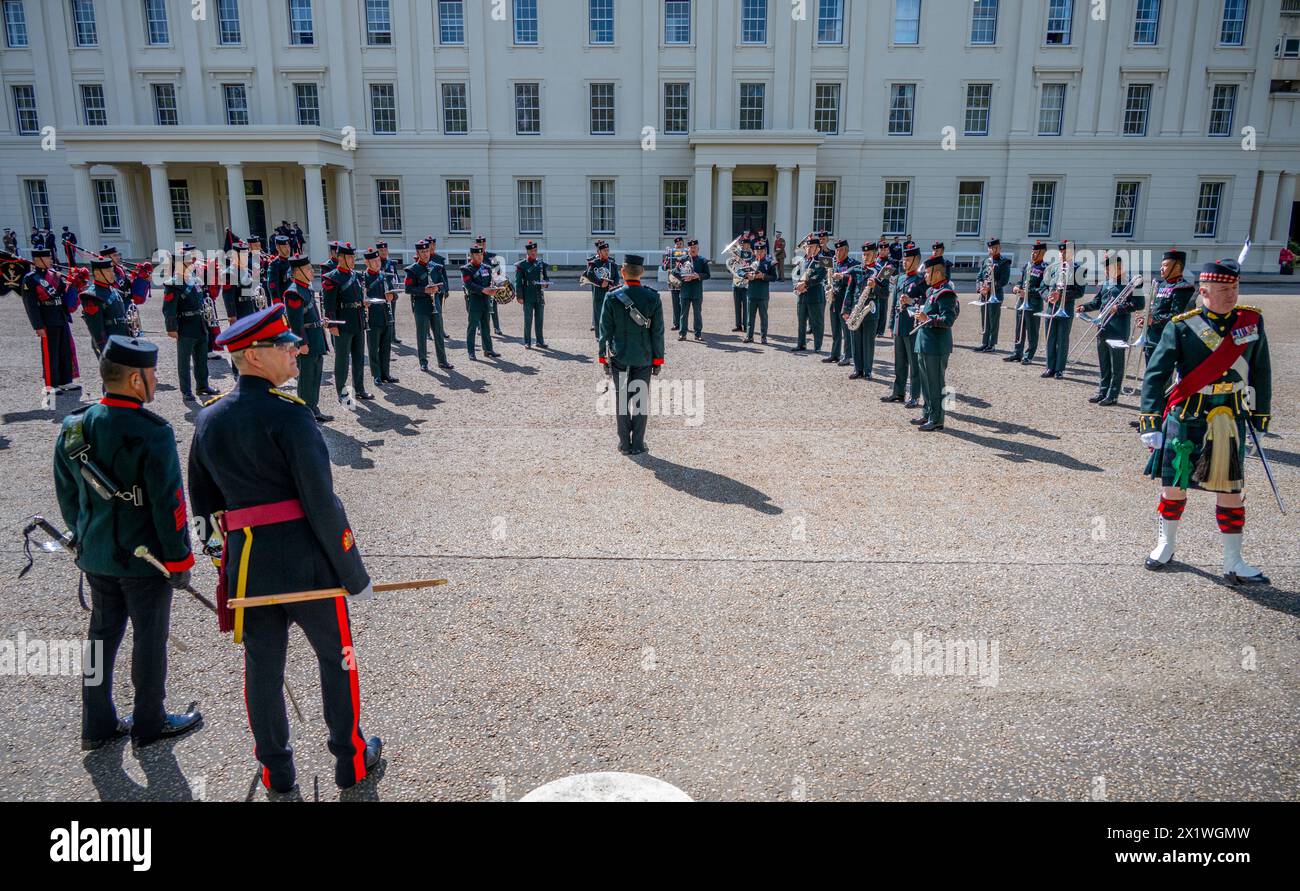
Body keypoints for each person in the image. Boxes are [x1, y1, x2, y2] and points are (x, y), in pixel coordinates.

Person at [188, 306, 382, 794]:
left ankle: (277, 771)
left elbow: (207, 508)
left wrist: (225, 565)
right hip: (310, 565)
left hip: (250, 566)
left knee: (263, 672)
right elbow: (322, 504)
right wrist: (353, 575)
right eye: (284, 346)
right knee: (338, 661)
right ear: (253, 356)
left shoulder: (209, 418)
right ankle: (351, 761)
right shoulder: (291, 415)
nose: (296, 349)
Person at [53, 336, 203, 750]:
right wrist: (178, 560)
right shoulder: (152, 432)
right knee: (149, 639)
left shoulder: (75, 426)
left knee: (101, 638)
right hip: (145, 560)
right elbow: (169, 504)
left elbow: (68, 497)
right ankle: (149, 721)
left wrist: (87, 538)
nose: (155, 381)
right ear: (137, 380)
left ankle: (97, 723)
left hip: (97, 555)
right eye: (152, 374)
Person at [1139, 259, 1271, 585]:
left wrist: (1259, 416)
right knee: (1173, 487)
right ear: (1204, 292)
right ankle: (1166, 545)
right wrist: (1151, 422)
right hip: (1186, 417)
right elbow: (1156, 377)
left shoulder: (1251, 323)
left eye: (1235, 289)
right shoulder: (1183, 326)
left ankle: (1233, 561)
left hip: (1228, 419)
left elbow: (1261, 372)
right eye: (1223, 290)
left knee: (1230, 492)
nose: (1231, 296)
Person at [598, 254, 665, 456]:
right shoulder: (652, 297)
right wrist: (658, 359)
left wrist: (603, 356)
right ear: (642, 272)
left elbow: (604, 331)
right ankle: (638, 443)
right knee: (640, 401)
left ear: (622, 272)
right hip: (643, 357)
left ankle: (624, 444)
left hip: (620, 357)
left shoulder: (611, 296)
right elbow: (658, 332)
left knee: (621, 400)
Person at [1078, 254, 1144, 407]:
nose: (1107, 272)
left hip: (1118, 328)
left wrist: (1119, 308)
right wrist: (1084, 307)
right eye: (1106, 269)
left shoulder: (1133, 284)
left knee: (1117, 364)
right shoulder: (1107, 282)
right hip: (1103, 327)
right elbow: (1097, 301)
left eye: (1110, 268)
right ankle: (1103, 391)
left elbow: (1139, 304)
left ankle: (1113, 395)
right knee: (1104, 362)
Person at [163, 246, 221, 403]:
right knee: (184, 360)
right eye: (188, 261)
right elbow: (168, 309)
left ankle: (202, 386)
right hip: (185, 325)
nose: (191, 263)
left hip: (199, 323)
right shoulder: (173, 284)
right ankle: (186, 391)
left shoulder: (194, 279)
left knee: (201, 358)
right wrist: (171, 328)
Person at [23, 249, 83, 395]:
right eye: (47, 257)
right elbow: (30, 305)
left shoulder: (54, 275)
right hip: (47, 319)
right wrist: (38, 326)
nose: (50, 260)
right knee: (51, 353)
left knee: (65, 350)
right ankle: (51, 384)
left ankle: (65, 380)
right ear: (38, 260)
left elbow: (64, 292)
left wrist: (75, 283)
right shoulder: (31, 279)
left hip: (60, 316)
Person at [912, 255, 959, 432]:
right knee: (926, 382)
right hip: (925, 343)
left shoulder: (946, 292)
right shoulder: (931, 291)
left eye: (926, 273)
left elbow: (948, 319)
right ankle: (928, 412)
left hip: (936, 345)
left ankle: (937, 419)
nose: (924, 276)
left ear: (937, 272)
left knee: (936, 383)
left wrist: (928, 318)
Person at [321, 244, 374, 403]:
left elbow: (357, 294)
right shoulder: (332, 277)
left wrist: (363, 302)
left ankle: (359, 389)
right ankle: (342, 392)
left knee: (358, 358)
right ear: (341, 257)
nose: (352, 260)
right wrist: (332, 324)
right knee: (342, 360)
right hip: (342, 322)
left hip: (357, 320)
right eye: (350, 257)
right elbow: (329, 304)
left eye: (353, 257)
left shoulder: (356, 275)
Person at [283, 255, 332, 423]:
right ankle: (303, 413)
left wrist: (321, 322)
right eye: (308, 269)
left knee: (316, 375)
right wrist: (302, 343)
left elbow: (310, 316)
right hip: (307, 341)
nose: (312, 271)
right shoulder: (293, 293)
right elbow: (296, 324)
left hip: (316, 338)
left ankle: (313, 408)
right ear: (297, 272)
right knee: (306, 379)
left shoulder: (306, 289)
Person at [882, 243, 924, 408]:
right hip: (900, 326)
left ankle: (914, 395)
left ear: (916, 260)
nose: (905, 262)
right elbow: (893, 304)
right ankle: (898, 392)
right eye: (904, 259)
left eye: (908, 259)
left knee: (914, 364)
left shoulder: (921, 280)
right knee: (899, 363)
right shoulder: (899, 278)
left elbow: (925, 302)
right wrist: (891, 324)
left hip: (912, 326)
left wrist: (912, 301)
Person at [1144, 249, 1197, 363]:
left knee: (1162, 377)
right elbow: (1156, 309)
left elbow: (1178, 316)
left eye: (1165, 265)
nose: (1161, 268)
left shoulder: (1184, 288)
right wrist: (1146, 321)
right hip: (1152, 337)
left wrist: (1153, 321)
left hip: (1166, 339)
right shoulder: (1162, 284)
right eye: (1161, 265)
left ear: (1177, 267)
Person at [405, 240, 449, 372]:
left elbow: (444, 284)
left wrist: (438, 289)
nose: (425, 254)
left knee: (439, 333)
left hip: (435, 303)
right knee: (422, 335)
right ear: (418, 253)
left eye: (427, 251)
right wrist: (424, 290)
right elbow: (408, 289)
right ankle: (423, 362)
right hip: (421, 305)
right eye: (422, 252)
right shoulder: (412, 270)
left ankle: (442, 361)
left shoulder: (437, 267)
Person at [1042, 240, 1082, 380]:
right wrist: (1048, 297)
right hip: (1051, 308)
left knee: (1062, 339)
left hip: (1066, 308)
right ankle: (1050, 367)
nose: (1063, 254)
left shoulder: (1078, 269)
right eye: (1061, 252)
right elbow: (1043, 287)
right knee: (1050, 338)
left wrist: (1062, 296)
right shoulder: (1052, 268)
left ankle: (1059, 369)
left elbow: (1080, 292)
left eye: (1066, 252)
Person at [80, 256, 131, 357]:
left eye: (112, 270)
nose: (112, 274)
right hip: (110, 343)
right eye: (108, 271)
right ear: (98, 273)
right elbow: (96, 328)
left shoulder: (113, 290)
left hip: (123, 339)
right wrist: (105, 349)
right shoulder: (91, 296)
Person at [1006, 241, 1047, 365]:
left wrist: (1028, 293)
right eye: (1032, 251)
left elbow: (1043, 289)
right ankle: (1017, 352)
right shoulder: (1027, 266)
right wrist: (1017, 287)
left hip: (1034, 304)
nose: (1033, 254)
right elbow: (1021, 281)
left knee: (1032, 331)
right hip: (1022, 302)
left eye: (1036, 252)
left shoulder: (1045, 268)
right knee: (1019, 329)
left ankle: (1028, 355)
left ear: (1043, 253)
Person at [461, 244, 502, 360]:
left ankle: (488, 350)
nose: (479, 256)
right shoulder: (466, 269)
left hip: (486, 300)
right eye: (476, 254)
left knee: (486, 326)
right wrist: (484, 290)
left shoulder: (486, 268)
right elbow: (468, 285)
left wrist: (495, 287)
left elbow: (491, 281)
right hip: (474, 300)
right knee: (472, 327)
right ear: (471, 255)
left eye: (481, 254)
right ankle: (471, 351)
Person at [973, 238, 1011, 353]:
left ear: (999, 248)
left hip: (996, 295)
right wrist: (980, 288)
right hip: (984, 294)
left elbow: (1004, 280)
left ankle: (992, 344)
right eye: (991, 248)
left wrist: (991, 287)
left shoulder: (1004, 262)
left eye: (995, 247)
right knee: (985, 319)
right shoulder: (985, 261)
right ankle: (985, 342)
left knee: (993, 320)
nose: (993, 249)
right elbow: (979, 276)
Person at [825, 239, 859, 365]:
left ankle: (848, 355)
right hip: (834, 299)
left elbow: (856, 278)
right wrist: (828, 288)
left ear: (846, 250)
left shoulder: (853, 264)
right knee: (835, 329)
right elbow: (828, 279)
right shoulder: (834, 264)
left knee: (846, 330)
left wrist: (843, 277)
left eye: (841, 250)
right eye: (837, 250)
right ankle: (835, 354)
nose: (838, 252)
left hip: (846, 300)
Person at [793, 237, 827, 353]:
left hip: (815, 296)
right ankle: (801, 344)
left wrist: (805, 284)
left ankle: (818, 346)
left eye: (811, 246)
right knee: (801, 321)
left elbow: (819, 277)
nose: (808, 249)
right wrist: (797, 286)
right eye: (807, 247)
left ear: (818, 248)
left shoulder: (823, 260)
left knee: (817, 322)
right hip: (802, 296)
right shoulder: (804, 260)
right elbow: (796, 275)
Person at [515, 240, 551, 349]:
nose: (533, 253)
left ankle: (540, 341)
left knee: (539, 319)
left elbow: (546, 277)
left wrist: (546, 283)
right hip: (527, 295)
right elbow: (518, 282)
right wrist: (519, 296)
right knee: (528, 319)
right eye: (531, 251)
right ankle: (527, 341)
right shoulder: (521, 265)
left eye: (535, 250)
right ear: (527, 251)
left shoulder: (541, 264)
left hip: (539, 295)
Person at [743, 240, 777, 344]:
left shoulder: (769, 262)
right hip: (751, 293)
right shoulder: (750, 261)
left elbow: (774, 277)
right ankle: (749, 336)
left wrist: (763, 276)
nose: (759, 253)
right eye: (757, 251)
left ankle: (763, 337)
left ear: (765, 251)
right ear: (754, 251)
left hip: (763, 294)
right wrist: (747, 276)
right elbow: (741, 272)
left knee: (763, 317)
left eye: (761, 251)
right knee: (750, 317)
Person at [677, 239, 710, 342]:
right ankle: (682, 334)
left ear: (698, 248)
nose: (693, 249)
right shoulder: (682, 259)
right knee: (683, 314)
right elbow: (675, 272)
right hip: (685, 291)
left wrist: (698, 275)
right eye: (691, 247)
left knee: (697, 314)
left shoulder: (702, 260)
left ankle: (698, 334)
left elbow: (708, 275)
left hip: (696, 291)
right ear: (688, 249)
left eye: (695, 247)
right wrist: (682, 277)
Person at [585, 240, 618, 336]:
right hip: (598, 292)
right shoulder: (594, 263)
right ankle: (599, 336)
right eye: (605, 251)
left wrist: (614, 284)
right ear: (599, 252)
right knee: (598, 313)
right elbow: (589, 274)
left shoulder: (612, 263)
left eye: (608, 250)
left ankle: (610, 334)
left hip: (610, 291)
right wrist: (600, 283)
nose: (607, 252)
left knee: (610, 313)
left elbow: (616, 276)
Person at [377, 242, 402, 343]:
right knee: (382, 315)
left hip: (391, 292)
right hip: (380, 292)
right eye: (381, 250)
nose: (383, 252)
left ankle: (393, 335)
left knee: (392, 315)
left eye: (385, 250)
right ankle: (384, 336)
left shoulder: (391, 263)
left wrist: (398, 285)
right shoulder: (376, 262)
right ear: (378, 251)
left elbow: (395, 275)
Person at [661, 236, 686, 332]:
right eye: (677, 244)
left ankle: (683, 324)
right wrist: (667, 263)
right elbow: (663, 267)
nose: (679, 245)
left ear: (683, 244)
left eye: (680, 244)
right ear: (675, 245)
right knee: (675, 304)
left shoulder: (686, 253)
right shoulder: (670, 254)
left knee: (684, 304)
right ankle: (676, 324)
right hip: (673, 282)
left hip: (684, 281)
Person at [729, 235, 753, 333]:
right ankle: (738, 325)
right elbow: (730, 268)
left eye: (746, 245)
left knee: (746, 306)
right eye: (742, 245)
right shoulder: (736, 256)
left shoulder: (752, 255)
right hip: (736, 283)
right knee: (737, 305)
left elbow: (753, 267)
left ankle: (746, 326)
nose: (744, 247)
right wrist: (734, 262)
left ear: (749, 246)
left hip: (747, 284)